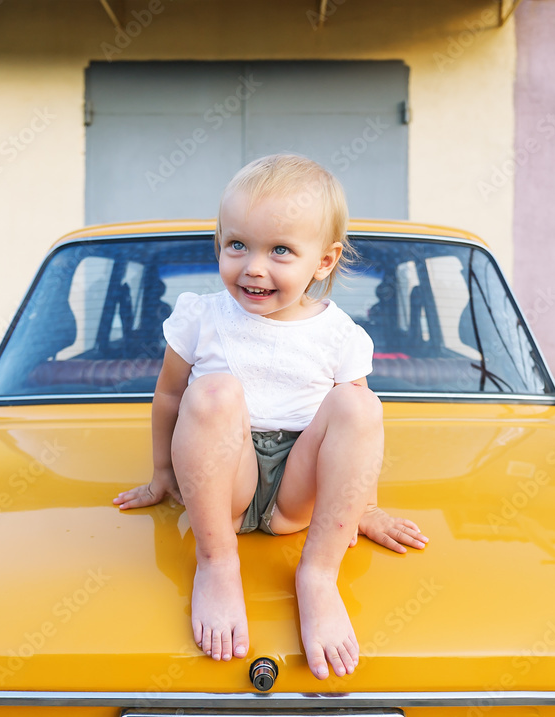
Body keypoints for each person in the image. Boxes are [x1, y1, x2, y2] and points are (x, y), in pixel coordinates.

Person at [114, 154, 427, 681]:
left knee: (358, 402)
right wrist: (162, 477)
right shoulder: (201, 316)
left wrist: (363, 507)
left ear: (323, 262)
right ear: (220, 241)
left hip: (296, 497)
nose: (253, 266)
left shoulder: (340, 333)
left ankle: (318, 579)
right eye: (237, 244)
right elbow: (169, 396)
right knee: (212, 391)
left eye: (280, 250)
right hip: (223, 485)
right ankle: (217, 564)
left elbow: (356, 433)